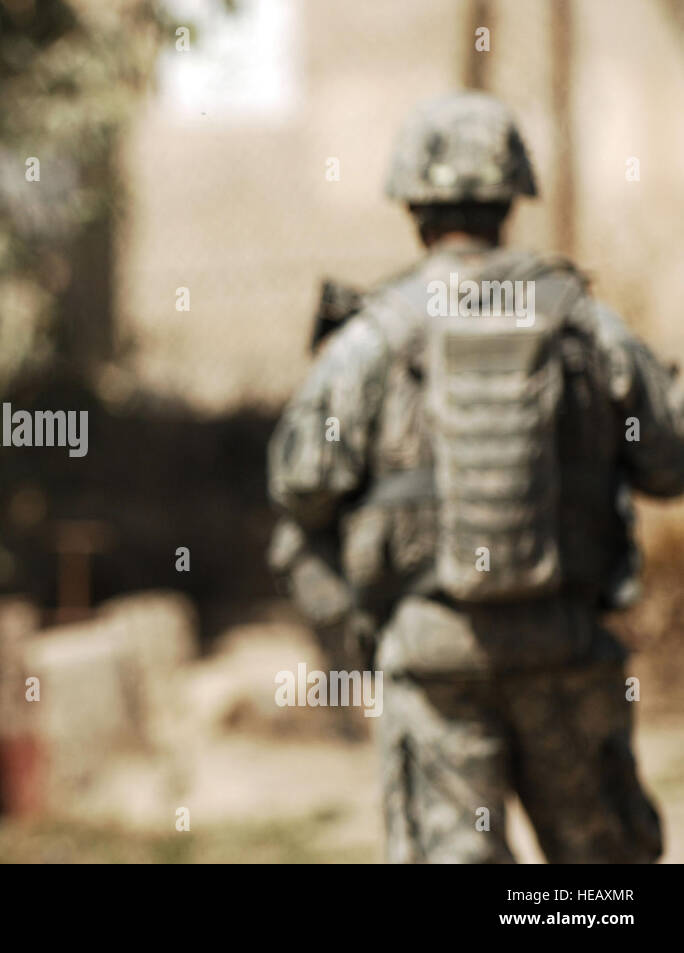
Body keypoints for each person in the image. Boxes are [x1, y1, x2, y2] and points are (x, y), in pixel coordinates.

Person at [267, 90, 684, 863]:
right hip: (566, 643)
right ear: (512, 199)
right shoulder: (585, 324)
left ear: (412, 203)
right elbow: (669, 463)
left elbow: (301, 486)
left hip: (435, 653)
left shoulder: (373, 336)